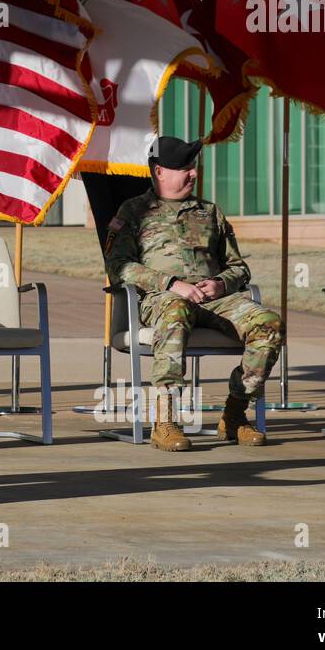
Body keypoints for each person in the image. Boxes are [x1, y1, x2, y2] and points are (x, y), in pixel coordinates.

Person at [104, 135, 283, 451]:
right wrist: (171, 284)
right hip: (162, 299)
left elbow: (239, 267)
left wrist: (220, 284)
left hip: (215, 300)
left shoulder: (209, 212)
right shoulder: (133, 211)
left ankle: (235, 413)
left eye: (193, 166)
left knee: (269, 322)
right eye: (185, 167)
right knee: (176, 309)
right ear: (160, 171)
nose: (194, 173)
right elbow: (118, 265)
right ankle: (166, 420)